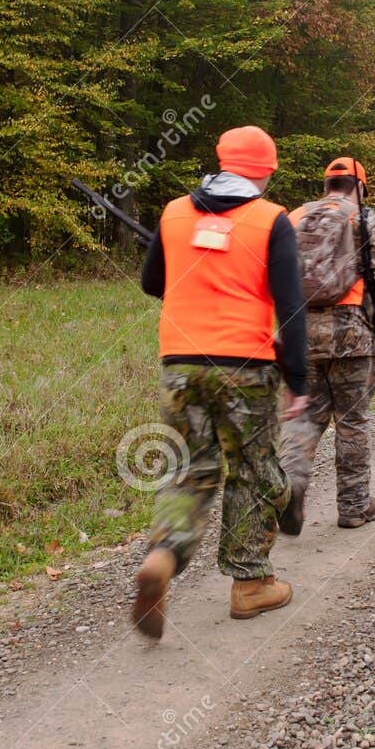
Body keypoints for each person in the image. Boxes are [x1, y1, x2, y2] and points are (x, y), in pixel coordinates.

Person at [130, 126, 310, 640]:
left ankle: (164, 555)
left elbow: (152, 283)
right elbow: (291, 306)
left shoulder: (173, 212)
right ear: (266, 171)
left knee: (188, 470)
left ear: (222, 161)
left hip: (180, 363)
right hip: (245, 365)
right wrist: (297, 379)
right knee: (252, 470)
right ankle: (250, 584)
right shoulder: (271, 220)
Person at [279, 157, 375, 532]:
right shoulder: (364, 217)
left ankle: (289, 489)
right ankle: (353, 507)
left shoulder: (293, 217)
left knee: (303, 419)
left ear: (326, 186)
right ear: (359, 187)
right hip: (352, 335)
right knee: (352, 423)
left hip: (298, 334)